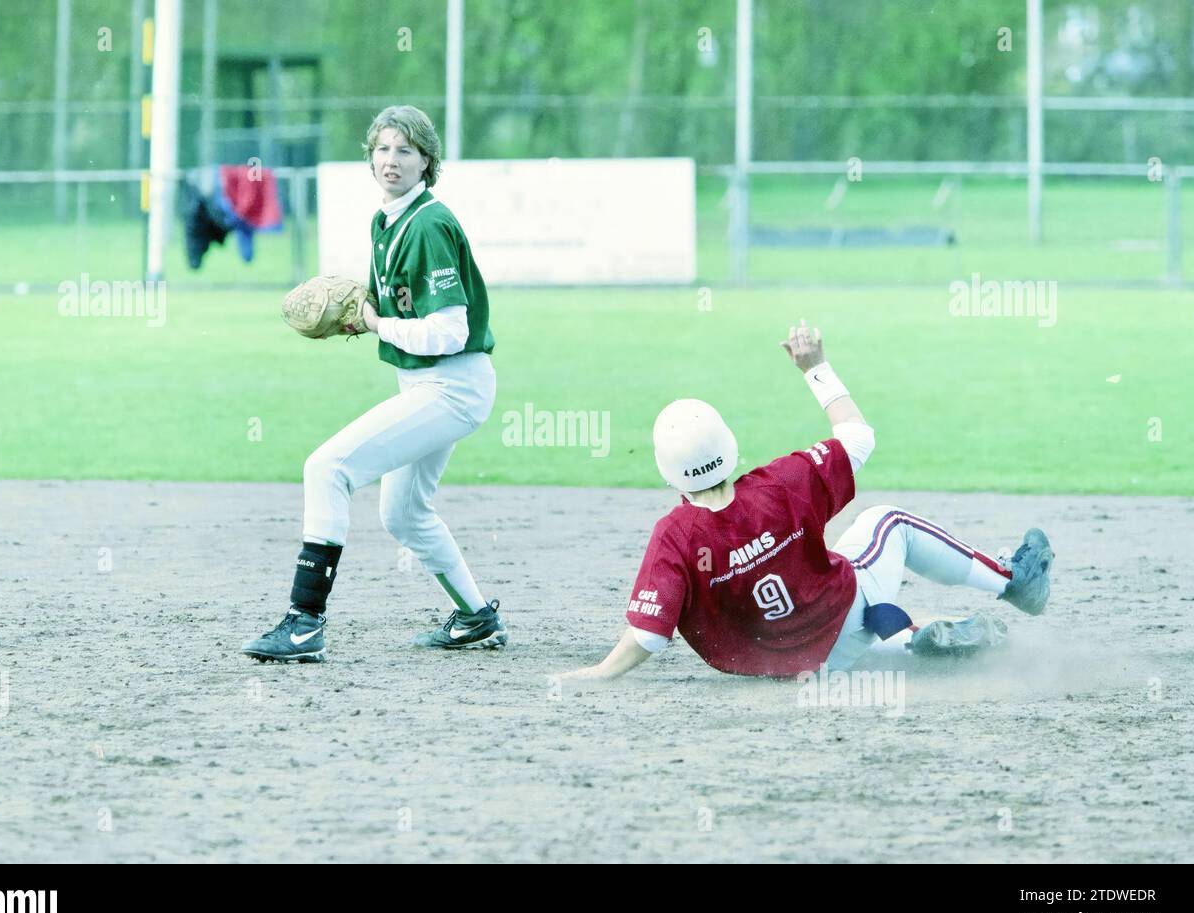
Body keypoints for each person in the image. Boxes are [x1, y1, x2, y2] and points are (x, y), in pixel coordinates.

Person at [555, 321, 1054, 682]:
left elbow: (647, 636)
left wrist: (598, 673)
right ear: (729, 448)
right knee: (886, 522)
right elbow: (859, 438)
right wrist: (815, 367)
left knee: (837, 637)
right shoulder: (780, 483)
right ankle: (1013, 583)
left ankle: (908, 637)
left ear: (667, 473)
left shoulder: (675, 536)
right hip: (839, 622)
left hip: (783, 667)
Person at [242, 105, 507, 662]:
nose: (392, 160)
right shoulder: (385, 221)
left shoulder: (429, 224)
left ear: (427, 161)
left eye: (405, 150)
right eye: (383, 148)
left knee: (327, 468)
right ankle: (475, 618)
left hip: (451, 385)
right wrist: (361, 309)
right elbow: (396, 312)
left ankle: (304, 622)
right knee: (403, 513)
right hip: (425, 386)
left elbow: (448, 329)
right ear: (370, 157)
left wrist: (377, 322)